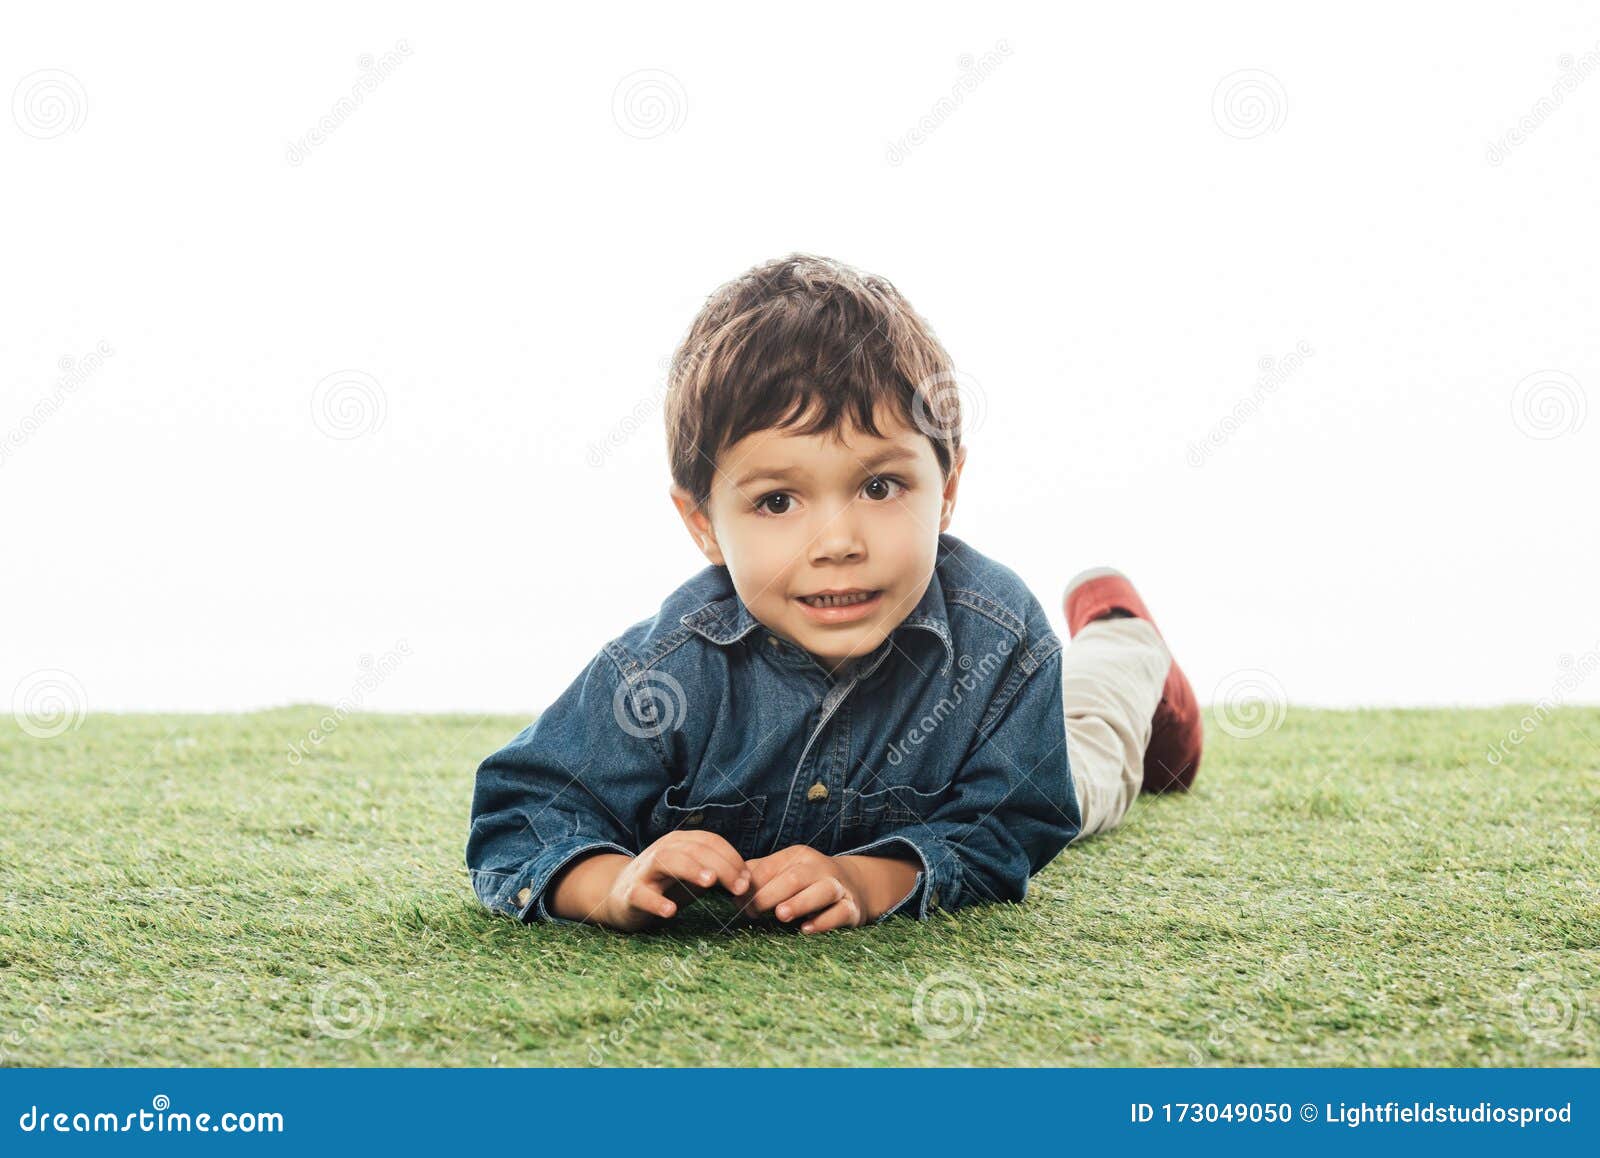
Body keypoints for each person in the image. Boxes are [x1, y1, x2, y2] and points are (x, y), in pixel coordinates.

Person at [465, 253, 1202, 934]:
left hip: (1049, 742)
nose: (838, 543)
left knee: (1095, 762)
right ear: (704, 525)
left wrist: (868, 878)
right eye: (778, 502)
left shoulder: (998, 638)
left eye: (881, 487)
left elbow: (1014, 822)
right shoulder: (662, 673)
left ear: (946, 491)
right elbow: (520, 815)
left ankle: (1122, 636)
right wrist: (611, 885)